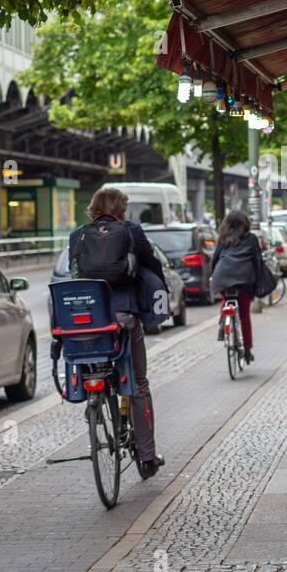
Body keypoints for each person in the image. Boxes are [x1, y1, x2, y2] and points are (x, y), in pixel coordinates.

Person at [68, 188, 166, 479]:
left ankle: (93, 401)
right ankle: (147, 458)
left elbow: (73, 274)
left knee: (93, 353)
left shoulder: (78, 235)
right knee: (138, 384)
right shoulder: (131, 231)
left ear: (93, 208)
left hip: (89, 322)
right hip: (124, 317)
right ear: (120, 208)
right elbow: (151, 264)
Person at [209, 210, 276, 363]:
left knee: (226, 300)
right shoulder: (251, 238)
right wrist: (260, 281)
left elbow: (215, 259)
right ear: (245, 223)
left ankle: (223, 320)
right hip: (244, 279)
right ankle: (247, 350)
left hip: (223, 275)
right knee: (244, 314)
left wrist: (214, 277)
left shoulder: (223, 238)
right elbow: (257, 260)